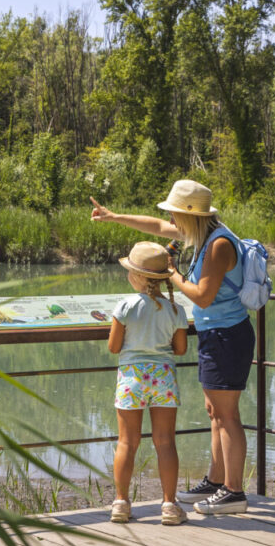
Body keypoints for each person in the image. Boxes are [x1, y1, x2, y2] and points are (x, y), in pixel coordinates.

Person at [91, 179, 253, 515]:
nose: (171, 223)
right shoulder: (202, 234)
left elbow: (202, 296)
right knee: (214, 412)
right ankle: (216, 480)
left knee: (227, 414)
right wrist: (114, 216)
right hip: (214, 334)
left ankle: (234, 491)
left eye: (175, 216)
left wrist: (171, 274)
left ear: (189, 215)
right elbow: (154, 226)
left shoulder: (219, 244)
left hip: (227, 335)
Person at [106, 241, 190, 525]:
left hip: (132, 378)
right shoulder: (175, 310)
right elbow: (180, 349)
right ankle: (168, 505)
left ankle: (120, 503)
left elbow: (114, 347)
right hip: (163, 377)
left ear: (138, 277)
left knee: (127, 442)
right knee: (165, 442)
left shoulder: (125, 306)